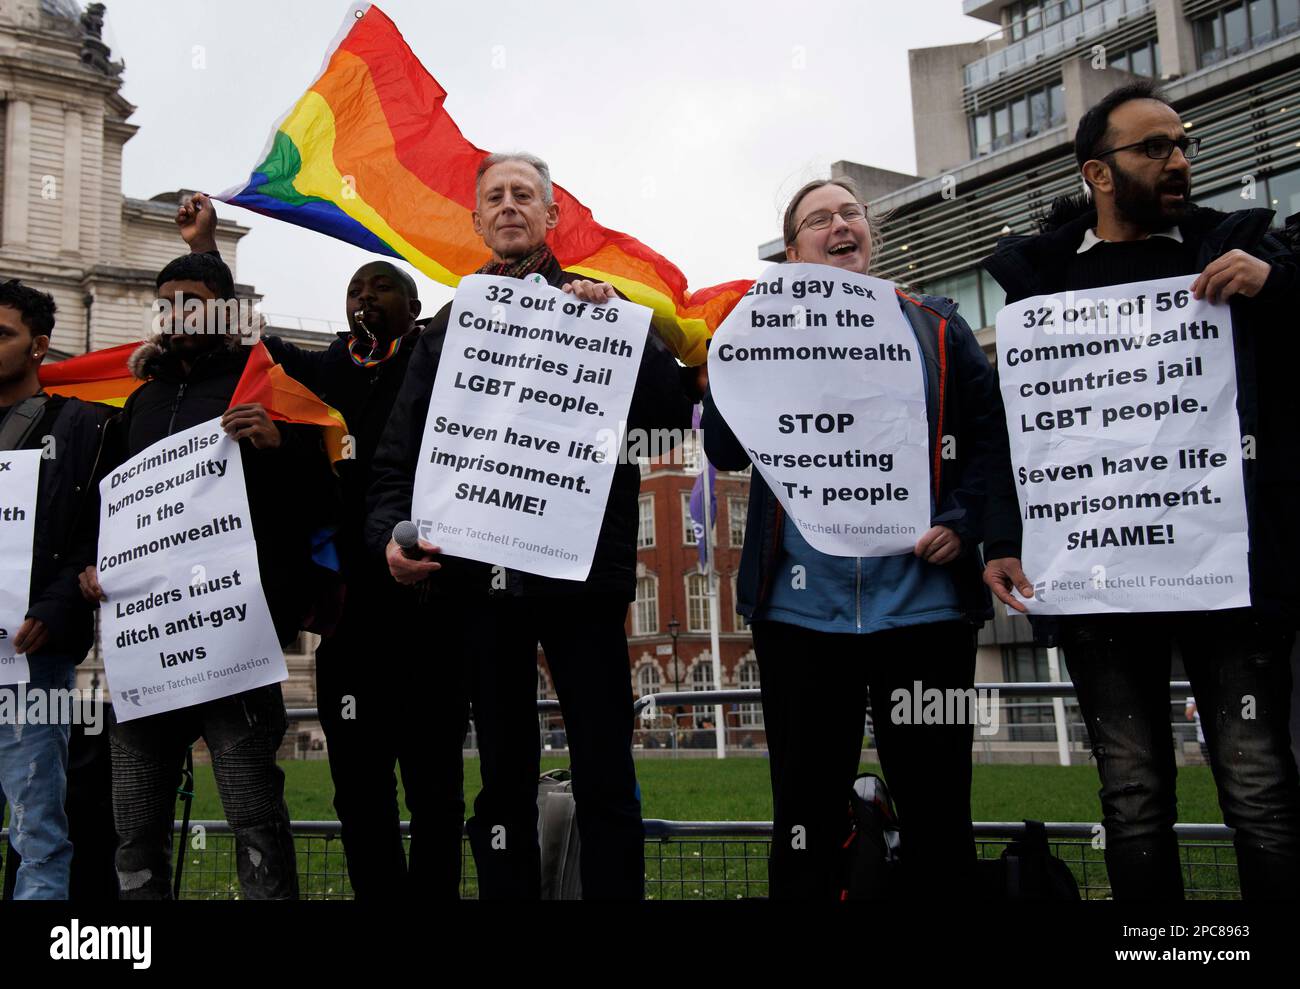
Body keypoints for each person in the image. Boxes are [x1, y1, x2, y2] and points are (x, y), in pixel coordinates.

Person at [982, 80, 1300, 900]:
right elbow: (1015, 432)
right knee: (1131, 798)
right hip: (1101, 580)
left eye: (1182, 143)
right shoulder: (1039, 286)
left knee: (1258, 785)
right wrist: (1004, 537)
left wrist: (1278, 290)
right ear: (1097, 172)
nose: (1179, 161)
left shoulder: (1240, 258)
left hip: (1234, 574)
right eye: (1154, 148)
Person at [368, 151, 695, 899]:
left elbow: (671, 415)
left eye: (525, 195)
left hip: (581, 581)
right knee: (502, 780)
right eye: (495, 197)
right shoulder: (447, 328)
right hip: (480, 587)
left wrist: (616, 326)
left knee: (606, 770)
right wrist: (389, 533)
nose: (510, 205)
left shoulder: (599, 307)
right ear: (477, 220)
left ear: (552, 217)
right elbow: (398, 453)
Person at [701, 177, 1000, 899]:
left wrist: (962, 523)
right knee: (802, 816)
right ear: (794, 251)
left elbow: (992, 446)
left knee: (938, 815)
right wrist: (730, 355)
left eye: (851, 213)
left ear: (869, 235)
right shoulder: (761, 332)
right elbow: (724, 450)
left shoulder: (935, 325)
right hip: (802, 617)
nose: (840, 225)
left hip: (924, 612)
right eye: (819, 219)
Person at [175, 193, 470, 901]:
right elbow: (248, 339)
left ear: (414, 303)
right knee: (358, 786)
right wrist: (209, 250)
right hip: (351, 615)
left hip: (429, 606)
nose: (363, 298)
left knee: (435, 788)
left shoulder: (437, 360)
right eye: (353, 290)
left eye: (381, 287)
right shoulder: (326, 370)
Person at [78, 252, 336, 899]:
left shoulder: (269, 386)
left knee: (253, 814)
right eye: (165, 301)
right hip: (145, 646)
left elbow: (324, 498)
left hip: (233, 638)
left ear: (223, 307)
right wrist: (91, 565)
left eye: (191, 299)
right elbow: (105, 505)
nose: (176, 313)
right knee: (134, 823)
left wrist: (278, 447)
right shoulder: (140, 401)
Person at [0, 280, 109, 899]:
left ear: (39, 346)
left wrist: (58, 605)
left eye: (3, 333)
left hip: (31, 661)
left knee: (38, 832)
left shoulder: (81, 429)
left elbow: (101, 533)